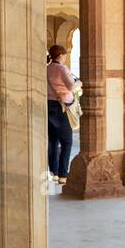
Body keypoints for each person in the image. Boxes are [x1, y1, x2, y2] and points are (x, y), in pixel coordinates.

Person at [47, 44, 76, 184]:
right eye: (64, 55)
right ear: (60, 55)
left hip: (48, 105)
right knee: (67, 141)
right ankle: (63, 174)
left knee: (53, 141)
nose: (65, 58)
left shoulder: (46, 68)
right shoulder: (61, 68)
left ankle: (54, 173)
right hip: (60, 107)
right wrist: (80, 83)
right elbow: (71, 86)